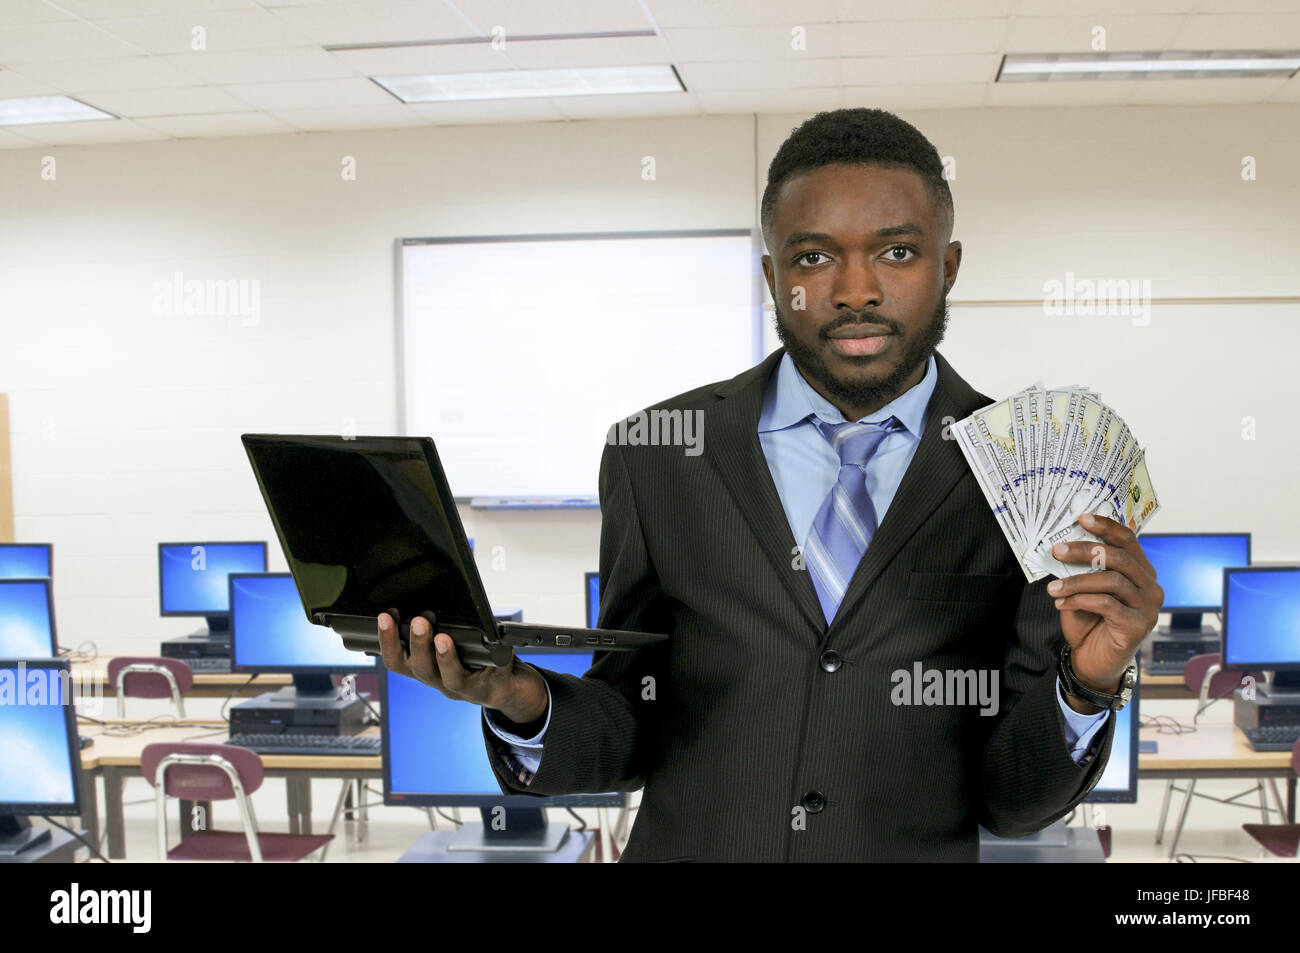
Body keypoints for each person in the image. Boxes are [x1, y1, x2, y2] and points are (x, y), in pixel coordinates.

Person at [378, 108, 1163, 862]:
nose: (855, 290)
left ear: (948, 265)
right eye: (814, 257)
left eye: (897, 252)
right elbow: (631, 720)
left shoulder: (1031, 472)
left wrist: (1086, 684)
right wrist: (523, 698)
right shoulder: (657, 453)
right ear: (772, 274)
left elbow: (1013, 800)